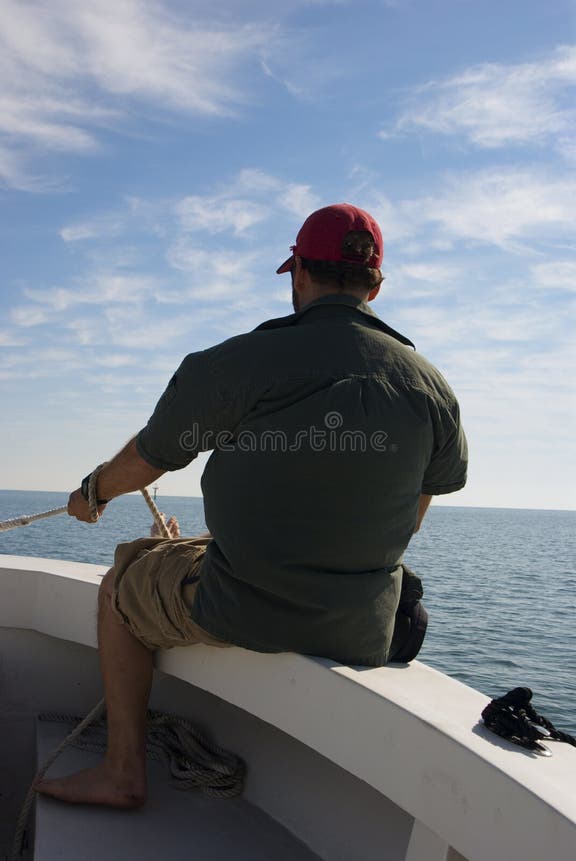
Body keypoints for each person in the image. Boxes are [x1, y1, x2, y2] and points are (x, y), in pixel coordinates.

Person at [35, 203, 467, 808]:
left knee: (122, 582)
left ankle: (121, 772)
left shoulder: (239, 363)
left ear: (299, 275)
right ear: (376, 284)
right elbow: (417, 504)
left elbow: (151, 458)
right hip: (364, 625)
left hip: (240, 606)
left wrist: (92, 492)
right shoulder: (430, 386)